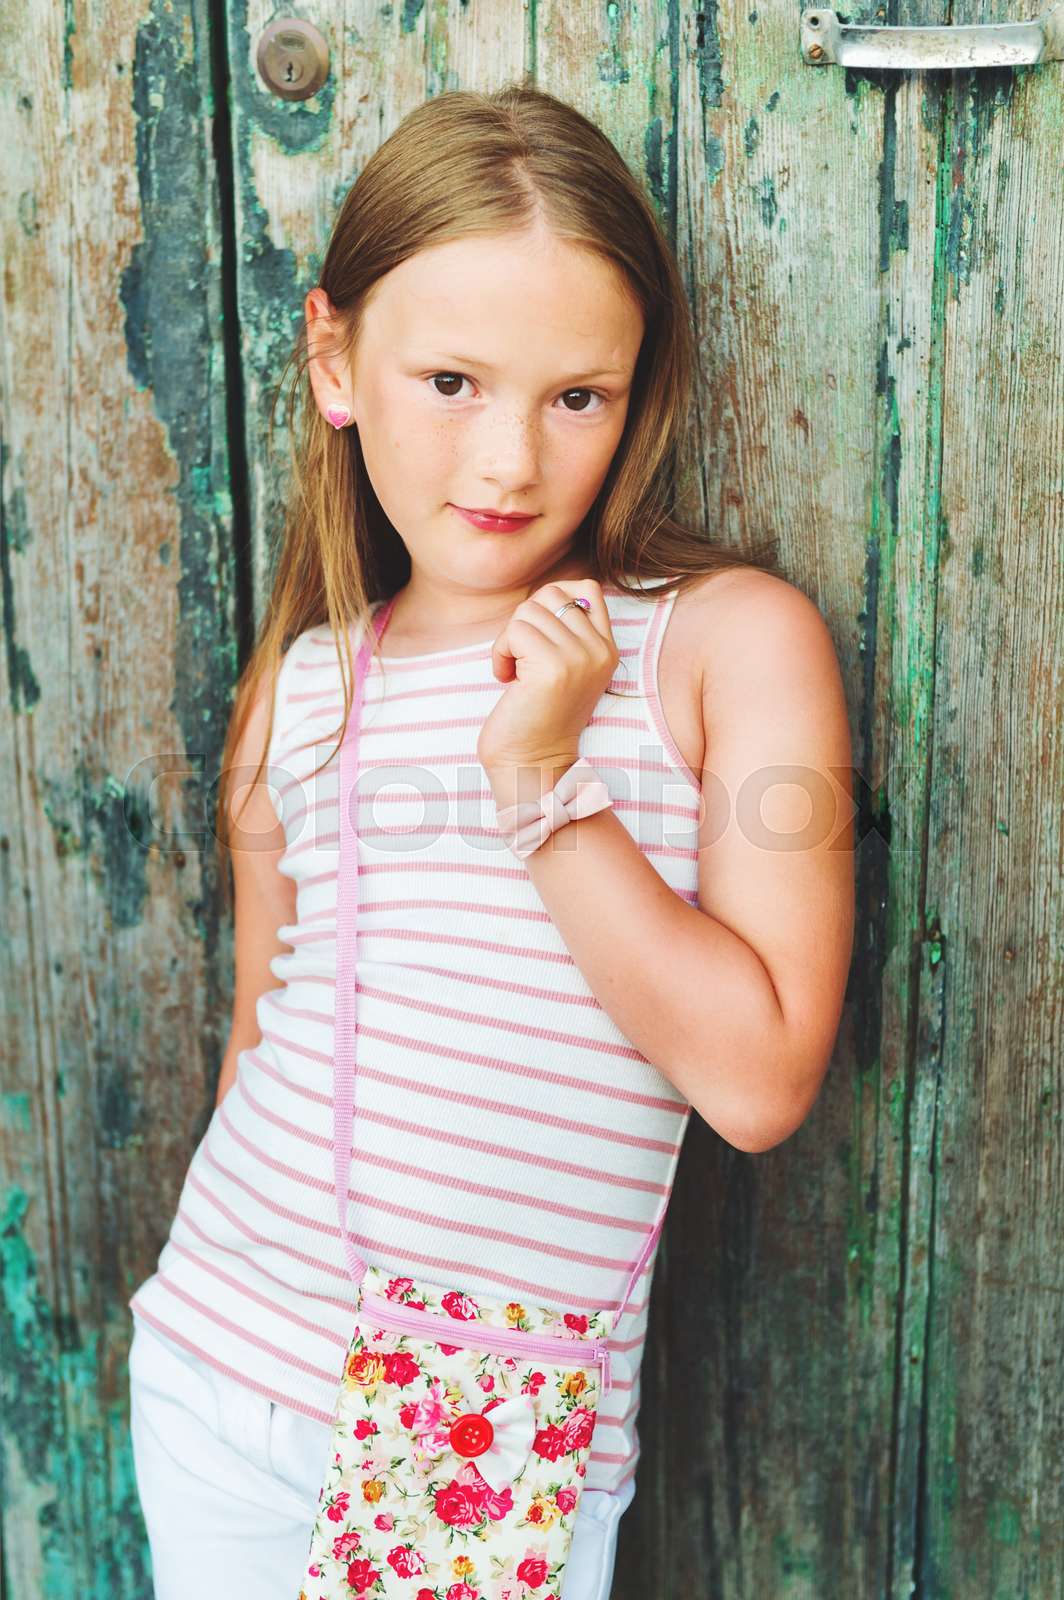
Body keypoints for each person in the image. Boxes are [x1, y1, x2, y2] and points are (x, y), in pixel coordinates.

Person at [127, 83, 853, 1600]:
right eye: (452, 380)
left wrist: (542, 782)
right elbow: (260, 1033)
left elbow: (758, 1081)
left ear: (636, 393)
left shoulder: (719, 645)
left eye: (576, 397)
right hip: (220, 1348)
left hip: (480, 1415)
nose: (512, 460)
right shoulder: (303, 687)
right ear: (335, 361)